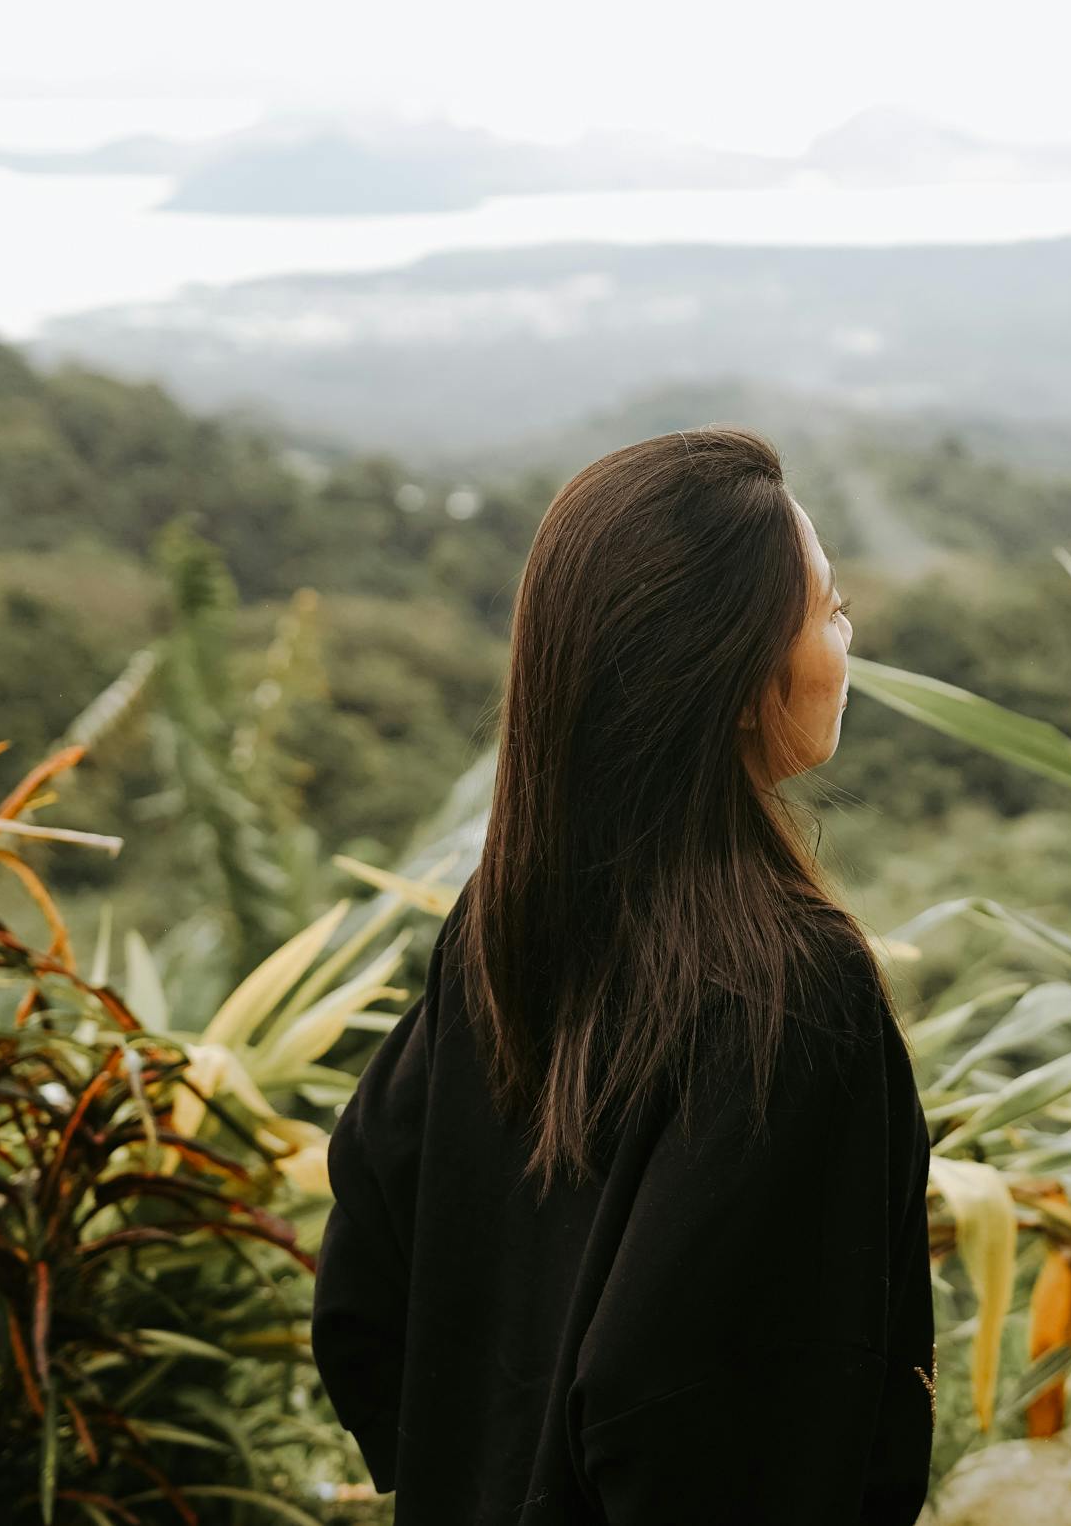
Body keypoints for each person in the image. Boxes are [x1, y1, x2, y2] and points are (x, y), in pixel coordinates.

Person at [311, 428, 934, 1525]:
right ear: (738, 677)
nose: (847, 634)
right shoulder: (790, 984)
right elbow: (712, 1410)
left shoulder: (499, 923)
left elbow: (365, 1241)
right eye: (828, 607)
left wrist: (463, 1459)